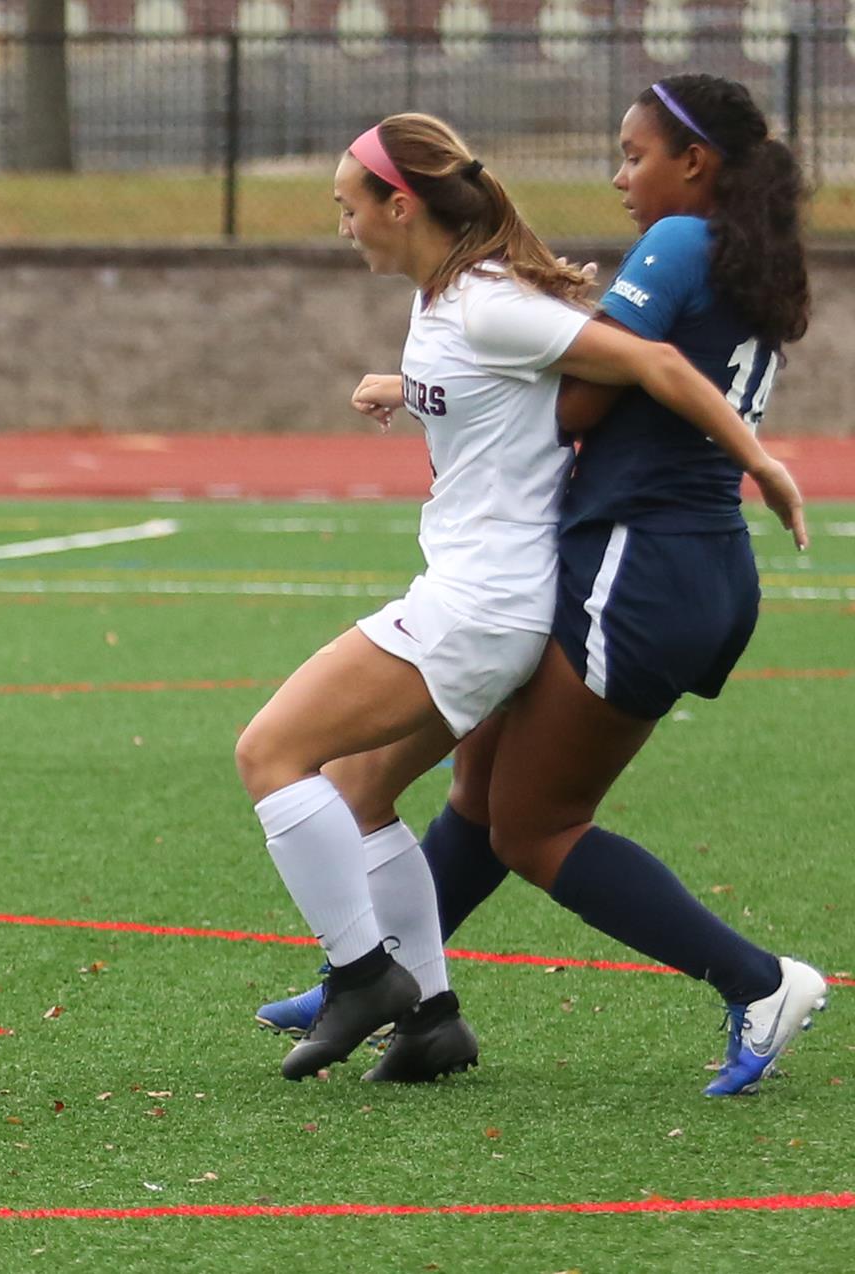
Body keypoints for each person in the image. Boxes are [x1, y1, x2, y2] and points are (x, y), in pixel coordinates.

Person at [255, 78, 826, 1096]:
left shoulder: (677, 245)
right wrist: (432, 384)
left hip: (634, 563)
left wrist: (761, 462)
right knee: (471, 795)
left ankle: (758, 979)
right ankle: (407, 993)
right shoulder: (735, 253)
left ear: (692, 161)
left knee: (529, 823)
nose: (617, 176)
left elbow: (590, 390)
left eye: (633, 153)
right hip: (664, 555)